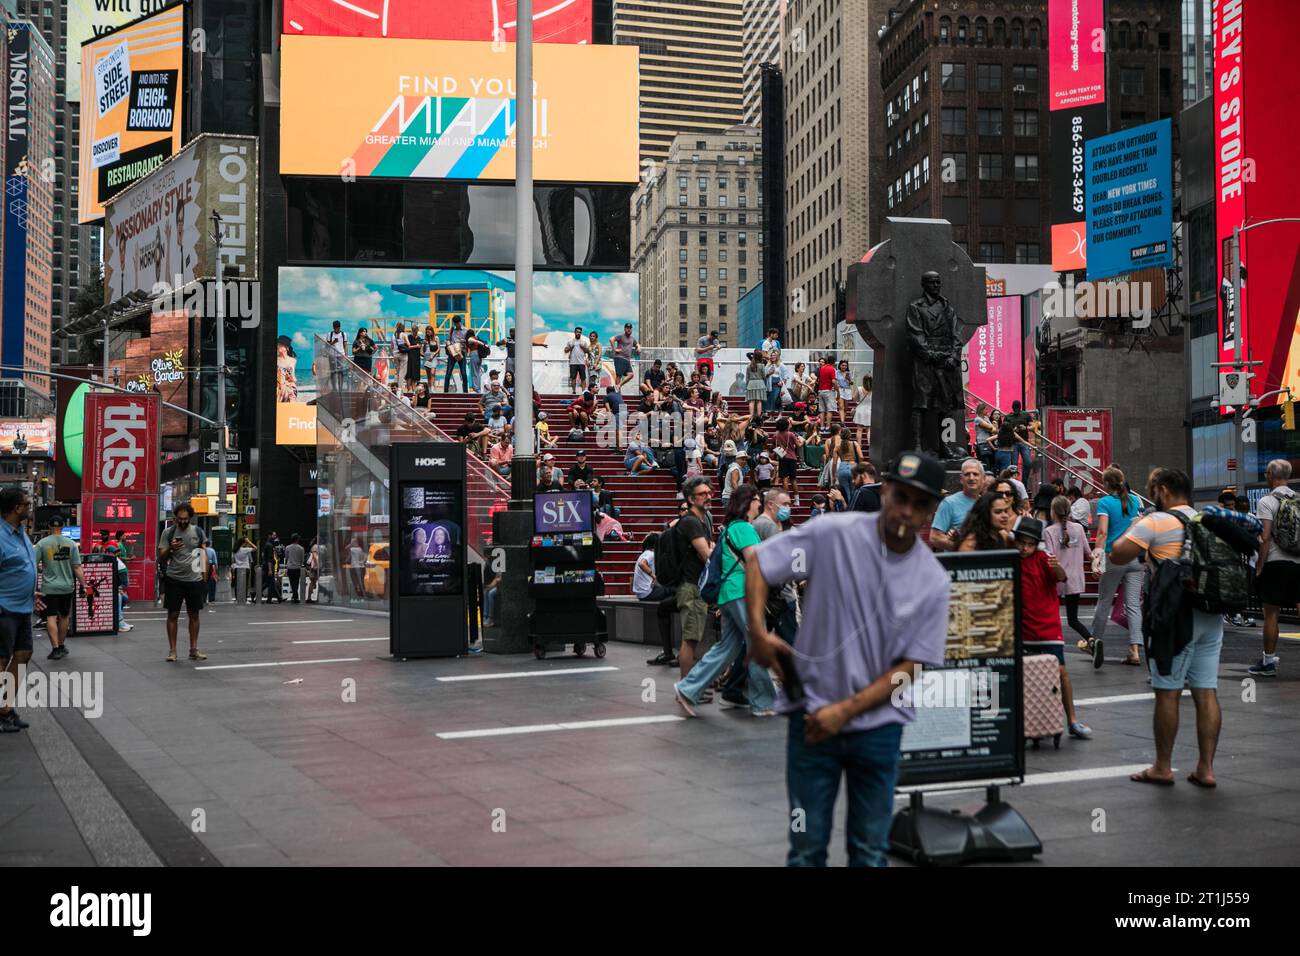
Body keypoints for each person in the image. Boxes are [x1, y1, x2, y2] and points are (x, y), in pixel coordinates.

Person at [746, 451, 950, 867]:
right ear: (884, 491)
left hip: (878, 732)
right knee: (805, 847)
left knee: (869, 851)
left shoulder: (932, 581)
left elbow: (909, 669)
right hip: (810, 721)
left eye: (919, 503)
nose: (906, 510)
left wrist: (844, 712)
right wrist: (758, 632)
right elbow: (759, 563)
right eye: (900, 496)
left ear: (931, 511)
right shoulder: (831, 533)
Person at [1110, 469, 1224, 787]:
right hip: (1210, 613)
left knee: (1167, 691)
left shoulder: (1157, 521)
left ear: (1162, 491)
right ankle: (1206, 768)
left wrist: (1134, 526)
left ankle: (1162, 766)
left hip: (1175, 615)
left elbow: (1118, 554)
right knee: (1206, 691)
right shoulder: (1206, 520)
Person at [675, 483, 777, 718]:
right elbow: (754, 561)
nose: (759, 503)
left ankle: (688, 688)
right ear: (748, 502)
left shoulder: (731, 527)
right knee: (757, 644)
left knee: (727, 647)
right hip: (743, 592)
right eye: (756, 499)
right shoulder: (744, 528)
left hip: (729, 594)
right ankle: (763, 702)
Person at [1012, 516, 1091, 740]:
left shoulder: (1043, 557)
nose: (1025, 547)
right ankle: (1028, 721)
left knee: (1061, 672)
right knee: (1024, 676)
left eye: (1029, 543)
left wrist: (1056, 567)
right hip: (1024, 627)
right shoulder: (1012, 558)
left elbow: (1061, 578)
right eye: (1021, 542)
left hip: (1047, 626)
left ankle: (1072, 720)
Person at [1089, 465, 1144, 667]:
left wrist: (1097, 561)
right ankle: (1135, 649)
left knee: (1104, 601)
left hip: (1114, 556)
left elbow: (1102, 533)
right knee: (1133, 605)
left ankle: (1094, 642)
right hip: (1135, 557)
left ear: (1106, 484)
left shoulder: (1105, 502)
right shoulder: (1136, 500)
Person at [1249, 459, 1300, 677]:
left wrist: (1259, 565)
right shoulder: (1299, 499)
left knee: (1271, 613)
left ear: (1270, 474)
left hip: (1275, 563)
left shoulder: (1267, 501)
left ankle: (1268, 662)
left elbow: (1266, 536)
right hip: (1299, 562)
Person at [0, 488, 38, 733]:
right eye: (27, 504)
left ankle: (6, 707)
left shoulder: (21, 532)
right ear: (17, 508)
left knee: (23, 655)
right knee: (2, 660)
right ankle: (2, 712)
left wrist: (31, 590)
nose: (30, 507)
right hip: (4, 610)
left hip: (24, 608)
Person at [1044, 495, 1098, 666]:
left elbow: (1050, 558)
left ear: (1053, 511)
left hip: (1056, 581)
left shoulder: (1049, 532)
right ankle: (1091, 640)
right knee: (1073, 619)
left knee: (1050, 616)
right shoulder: (1079, 529)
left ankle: (1050, 648)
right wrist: (1096, 566)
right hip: (1076, 580)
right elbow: (1089, 554)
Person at [674, 476, 715, 685]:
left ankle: (690, 686)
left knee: (693, 637)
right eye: (702, 494)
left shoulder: (700, 520)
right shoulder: (691, 521)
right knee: (690, 639)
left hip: (696, 586)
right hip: (691, 587)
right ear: (691, 498)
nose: (708, 497)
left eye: (709, 493)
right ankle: (686, 687)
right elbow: (707, 554)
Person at [159, 504, 209, 662]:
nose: (182, 522)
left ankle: (194, 649)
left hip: (195, 580)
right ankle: (172, 651)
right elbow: (162, 557)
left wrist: (204, 576)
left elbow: (203, 553)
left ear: (190, 518)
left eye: (185, 519)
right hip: (174, 579)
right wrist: (171, 549)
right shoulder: (169, 532)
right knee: (172, 614)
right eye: (179, 519)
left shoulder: (198, 532)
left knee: (194, 615)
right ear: (175, 518)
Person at [34, 515, 87, 660]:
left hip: (49, 588)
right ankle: (62, 645)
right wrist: (84, 585)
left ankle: (55, 648)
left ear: (50, 527)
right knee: (64, 616)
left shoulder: (42, 544)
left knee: (51, 617)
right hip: (66, 587)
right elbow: (76, 567)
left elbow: (32, 564)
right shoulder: (71, 544)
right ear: (63, 527)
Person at [928, 458, 984, 551]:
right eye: (967, 474)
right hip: (958, 563)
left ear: (983, 478)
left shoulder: (988, 503)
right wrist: (960, 547)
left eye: (975, 474)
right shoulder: (949, 503)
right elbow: (935, 537)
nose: (971, 478)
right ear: (961, 479)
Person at [444, 316, 469, 392]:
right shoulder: (452, 330)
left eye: (457, 323)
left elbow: (468, 341)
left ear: (460, 322)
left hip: (462, 352)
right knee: (448, 372)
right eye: (455, 323)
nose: (456, 325)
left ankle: (465, 391)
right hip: (452, 353)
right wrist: (449, 344)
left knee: (463, 373)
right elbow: (448, 340)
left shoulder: (466, 330)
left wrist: (463, 341)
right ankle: (445, 391)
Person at [564, 326, 590, 394]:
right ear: (575, 332)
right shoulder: (570, 341)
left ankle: (583, 392)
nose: (578, 333)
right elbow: (565, 350)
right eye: (577, 332)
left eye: (580, 332)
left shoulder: (584, 342)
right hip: (573, 363)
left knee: (583, 378)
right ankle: (574, 391)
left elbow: (588, 351)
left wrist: (583, 348)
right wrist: (570, 347)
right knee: (573, 378)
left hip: (581, 362)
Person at [283, 533, 306, 604]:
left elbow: (286, 557)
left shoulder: (287, 547)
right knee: (296, 582)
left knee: (292, 582)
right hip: (297, 567)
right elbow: (302, 559)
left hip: (290, 567)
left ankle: (295, 596)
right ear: (297, 539)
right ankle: (295, 596)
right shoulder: (301, 548)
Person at [745, 351, 767, 419]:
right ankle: (758, 417)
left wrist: (747, 385)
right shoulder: (762, 365)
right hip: (760, 384)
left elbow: (747, 377)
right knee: (759, 401)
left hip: (751, 384)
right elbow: (764, 376)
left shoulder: (749, 365)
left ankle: (751, 416)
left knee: (751, 401)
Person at [233, 537, 255, 603]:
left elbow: (233, 560)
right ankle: (244, 599)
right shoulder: (245, 549)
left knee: (237, 584)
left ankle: (237, 598)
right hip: (245, 568)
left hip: (237, 568)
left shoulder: (235, 550)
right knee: (245, 584)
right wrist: (249, 542)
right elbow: (255, 548)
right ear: (243, 543)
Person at [853, 374, 873, 446]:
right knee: (869, 429)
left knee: (859, 429)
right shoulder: (874, 390)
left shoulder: (859, 389)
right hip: (870, 410)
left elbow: (854, 399)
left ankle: (859, 445)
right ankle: (870, 444)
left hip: (860, 410)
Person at [815, 355, 838, 420]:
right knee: (829, 410)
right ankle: (827, 427)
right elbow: (833, 381)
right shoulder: (832, 369)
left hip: (821, 391)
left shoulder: (822, 368)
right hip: (829, 391)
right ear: (834, 362)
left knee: (822, 410)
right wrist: (837, 390)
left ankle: (822, 427)